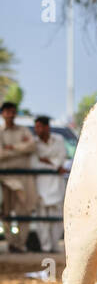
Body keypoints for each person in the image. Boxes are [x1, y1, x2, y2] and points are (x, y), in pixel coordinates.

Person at [0, 100, 37, 252]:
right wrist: (21, 150)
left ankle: (21, 244)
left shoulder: (24, 130)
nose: (10, 114)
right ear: (2, 114)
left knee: (25, 210)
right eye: (7, 111)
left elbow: (32, 146)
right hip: (5, 178)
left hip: (23, 176)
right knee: (5, 211)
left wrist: (12, 148)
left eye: (12, 111)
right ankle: (11, 242)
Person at [30, 116, 68, 252]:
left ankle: (54, 246)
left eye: (39, 127)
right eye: (36, 127)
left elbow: (61, 158)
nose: (37, 130)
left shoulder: (59, 139)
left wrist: (47, 161)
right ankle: (45, 247)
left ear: (47, 127)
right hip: (40, 184)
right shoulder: (33, 142)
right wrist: (54, 166)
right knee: (42, 219)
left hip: (56, 184)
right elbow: (34, 163)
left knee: (57, 217)